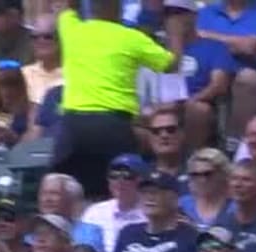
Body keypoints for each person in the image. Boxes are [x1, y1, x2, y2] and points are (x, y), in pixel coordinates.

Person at [53, 0, 181, 201]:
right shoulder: (131, 37)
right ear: (118, 8)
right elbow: (171, 64)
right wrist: (176, 33)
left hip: (73, 126)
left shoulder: (71, 29)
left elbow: (67, 7)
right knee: (122, 193)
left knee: (60, 191)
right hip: (113, 125)